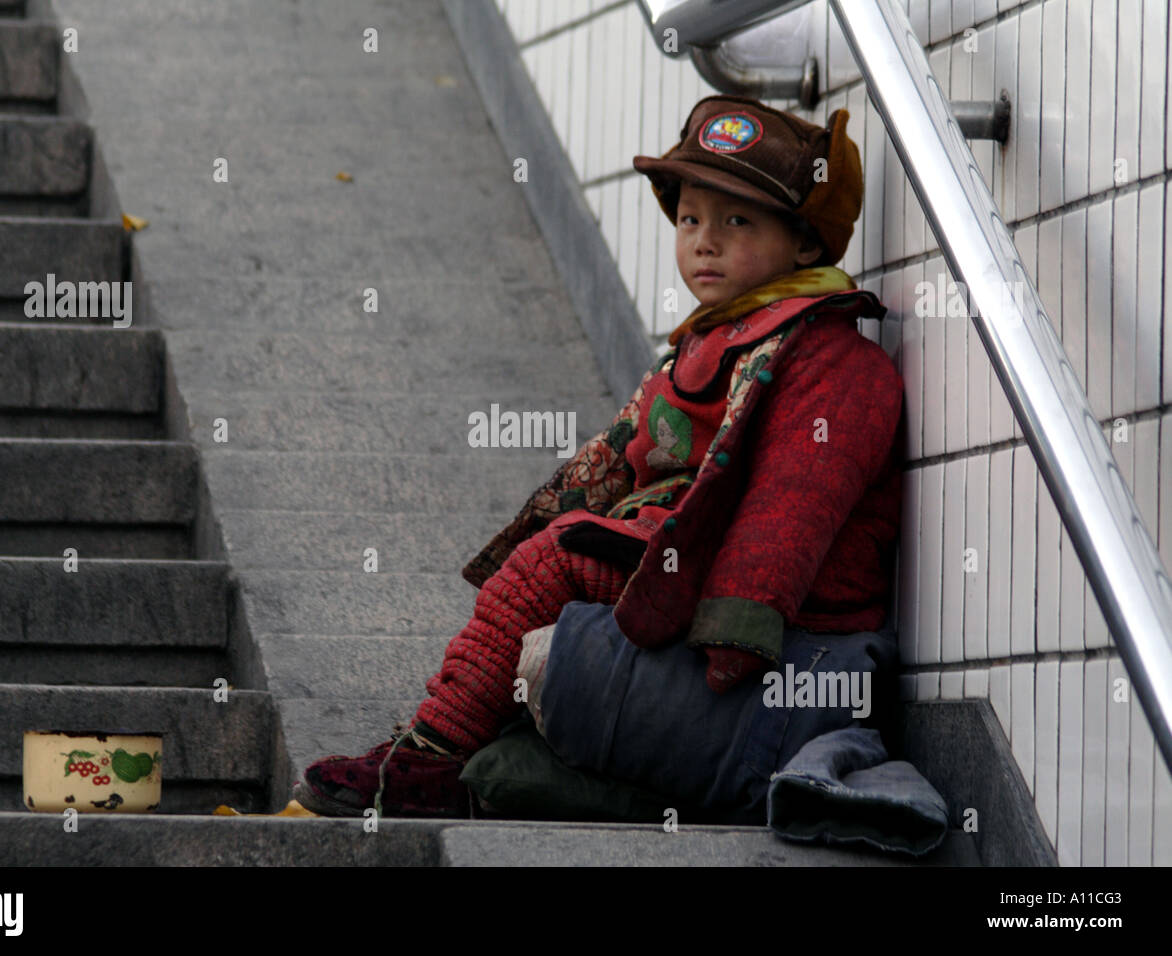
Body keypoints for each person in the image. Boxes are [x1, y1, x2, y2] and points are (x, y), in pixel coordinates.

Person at [295, 94, 906, 818]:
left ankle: (433, 749)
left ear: (806, 243)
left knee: (553, 564)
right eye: (690, 220)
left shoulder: (835, 358)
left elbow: (792, 506)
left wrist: (736, 636)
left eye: (736, 221)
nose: (703, 242)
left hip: (782, 611)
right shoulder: (712, 340)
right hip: (678, 555)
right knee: (538, 619)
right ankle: (450, 755)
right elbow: (631, 463)